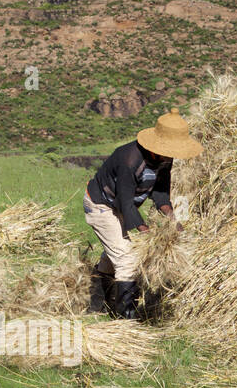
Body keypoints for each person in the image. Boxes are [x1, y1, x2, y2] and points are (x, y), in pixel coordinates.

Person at [85, 108, 202, 319]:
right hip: (102, 205)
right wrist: (146, 232)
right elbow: (126, 202)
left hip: (122, 205)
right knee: (128, 259)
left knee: (114, 256)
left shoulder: (165, 159)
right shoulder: (129, 160)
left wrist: (172, 221)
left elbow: (160, 193)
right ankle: (125, 320)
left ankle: (96, 305)